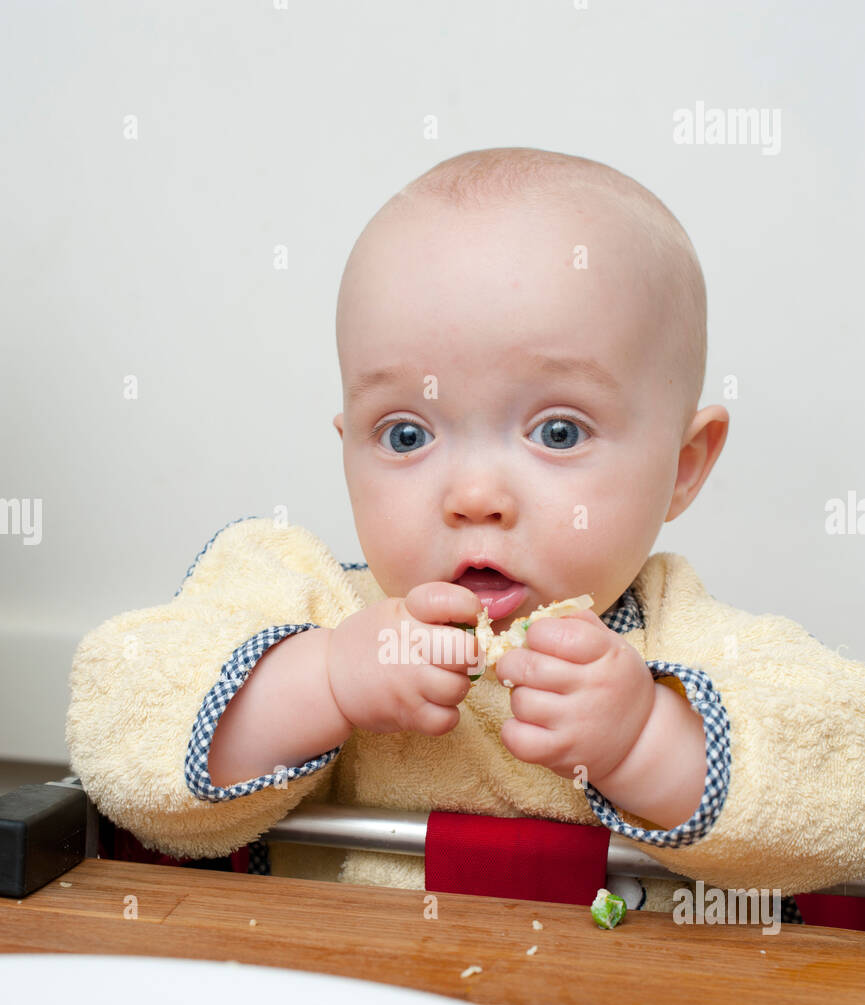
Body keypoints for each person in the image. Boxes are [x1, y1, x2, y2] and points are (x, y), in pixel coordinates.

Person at [66, 147, 865, 918]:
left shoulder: (696, 648)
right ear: (347, 446)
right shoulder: (302, 602)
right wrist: (323, 682)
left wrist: (646, 741)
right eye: (406, 435)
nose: (474, 496)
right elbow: (123, 745)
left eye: (557, 432)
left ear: (683, 465)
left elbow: (838, 799)